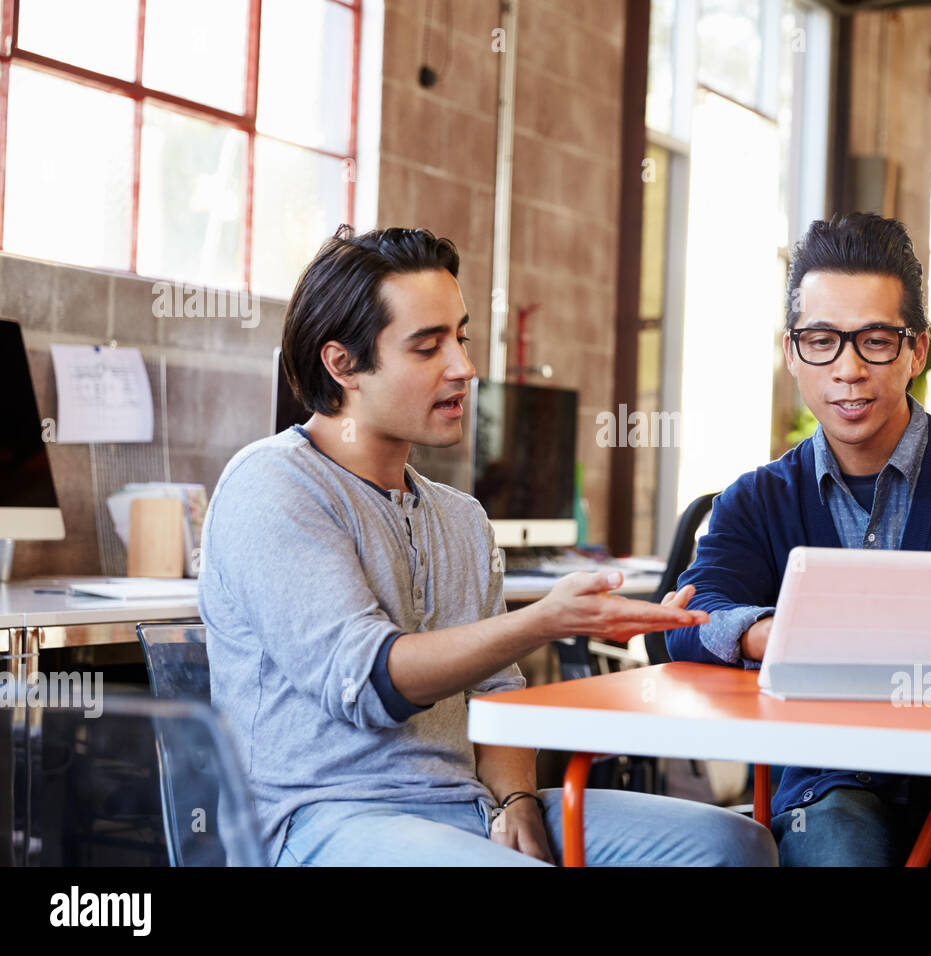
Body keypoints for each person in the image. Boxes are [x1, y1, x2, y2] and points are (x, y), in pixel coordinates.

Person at [199, 225, 777, 867]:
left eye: (461, 338)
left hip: (465, 807)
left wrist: (516, 803)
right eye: (427, 348)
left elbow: (498, 695)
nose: (464, 368)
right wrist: (544, 621)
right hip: (321, 821)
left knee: (733, 844)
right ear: (343, 365)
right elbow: (368, 684)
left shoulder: (461, 517)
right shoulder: (273, 484)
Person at [666, 212, 931, 866]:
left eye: (876, 341)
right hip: (829, 782)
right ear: (792, 353)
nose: (849, 368)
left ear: (916, 351)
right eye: (822, 340)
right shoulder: (756, 499)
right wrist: (762, 634)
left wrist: (926, 653)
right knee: (840, 845)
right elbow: (687, 618)